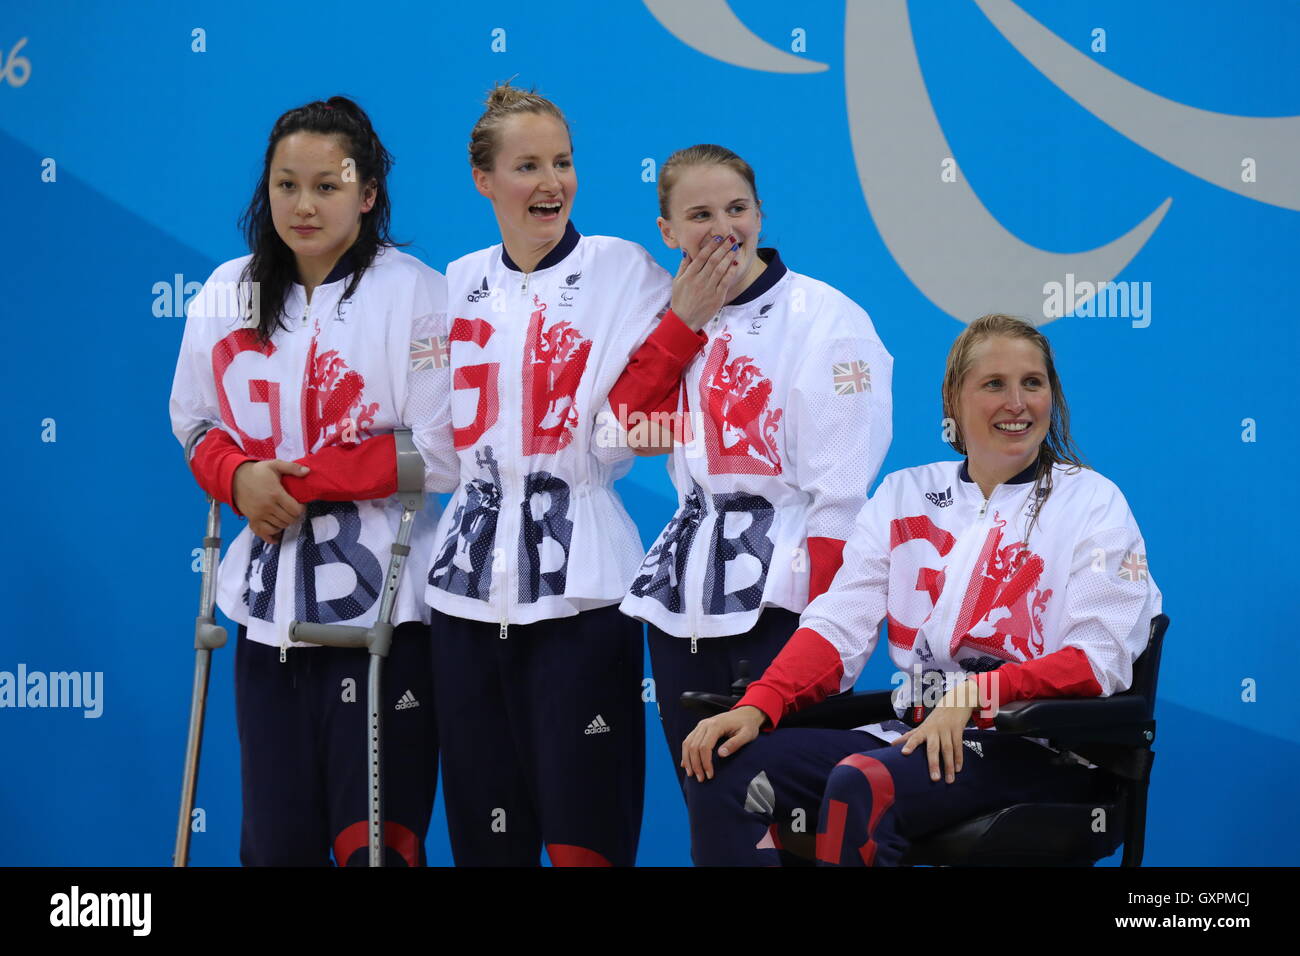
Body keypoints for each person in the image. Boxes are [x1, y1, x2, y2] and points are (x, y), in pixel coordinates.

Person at [679, 313, 1161, 866]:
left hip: (1037, 747)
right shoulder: (905, 493)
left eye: (1033, 383)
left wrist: (977, 695)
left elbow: (1098, 661)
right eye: (994, 384)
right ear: (954, 400)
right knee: (724, 763)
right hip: (910, 734)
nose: (1018, 402)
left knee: (864, 783)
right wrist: (761, 704)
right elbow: (840, 623)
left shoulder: (1093, 502)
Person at [169, 96, 450, 866]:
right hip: (266, 618)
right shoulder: (229, 289)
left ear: (367, 194)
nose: (304, 204)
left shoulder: (416, 292)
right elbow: (192, 420)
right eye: (287, 184)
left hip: (388, 614)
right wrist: (236, 476)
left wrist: (298, 481)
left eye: (328, 185)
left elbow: (444, 450)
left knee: (379, 847)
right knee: (275, 845)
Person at [417, 83, 671, 867]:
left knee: (585, 831)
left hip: (583, 592)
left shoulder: (624, 271)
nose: (553, 183)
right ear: (483, 179)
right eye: (528, 165)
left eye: (562, 162)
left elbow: (648, 420)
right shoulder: (452, 283)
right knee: (485, 836)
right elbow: (430, 440)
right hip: (462, 596)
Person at [609, 144, 893, 784]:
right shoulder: (672, 318)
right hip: (680, 600)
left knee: (776, 812)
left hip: (781, 602)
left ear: (761, 213)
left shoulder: (828, 321)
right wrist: (682, 324)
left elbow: (839, 500)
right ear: (668, 231)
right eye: (701, 214)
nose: (723, 229)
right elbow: (622, 431)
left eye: (737, 208)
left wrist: (823, 643)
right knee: (708, 808)